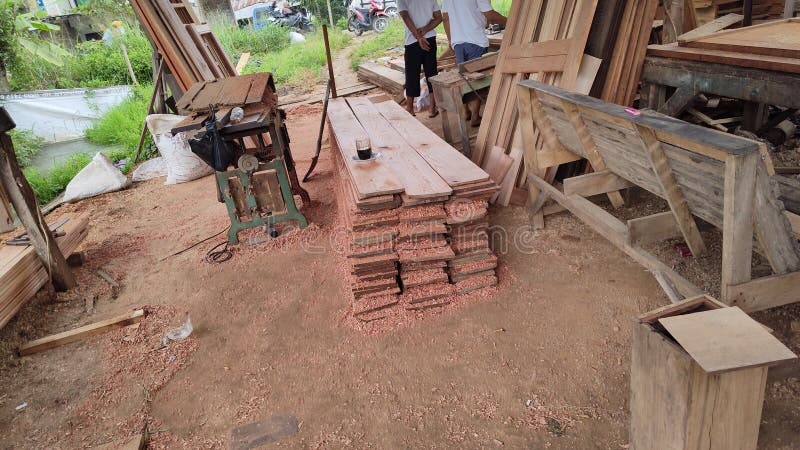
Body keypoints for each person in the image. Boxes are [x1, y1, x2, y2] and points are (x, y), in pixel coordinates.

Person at [442, 0, 506, 127]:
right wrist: (510, 20)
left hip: (458, 42)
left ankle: (466, 112)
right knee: (477, 81)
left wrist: (451, 41)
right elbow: (490, 14)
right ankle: (475, 117)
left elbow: (445, 18)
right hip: (476, 40)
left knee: (464, 78)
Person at [397, 0, 442, 118]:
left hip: (412, 40)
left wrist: (418, 37)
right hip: (429, 38)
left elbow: (405, 16)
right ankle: (432, 108)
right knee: (432, 73)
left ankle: (410, 109)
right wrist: (425, 30)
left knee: (412, 74)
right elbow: (438, 18)